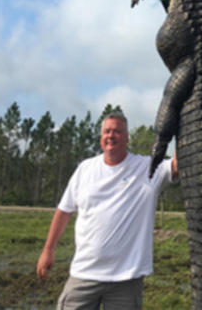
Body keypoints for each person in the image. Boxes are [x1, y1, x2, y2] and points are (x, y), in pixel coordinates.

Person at [36, 113, 178, 309]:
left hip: (126, 279)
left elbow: (178, 164)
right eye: (107, 131)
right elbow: (63, 211)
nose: (111, 135)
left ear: (127, 137)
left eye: (117, 131)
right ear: (101, 137)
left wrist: (184, 119)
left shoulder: (148, 168)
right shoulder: (85, 169)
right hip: (84, 274)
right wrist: (48, 249)